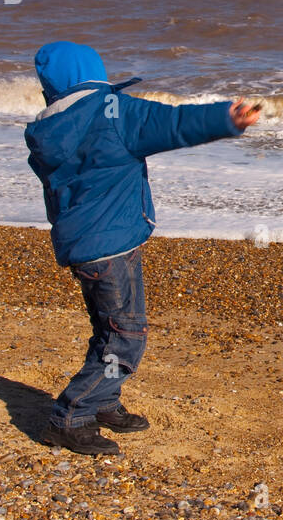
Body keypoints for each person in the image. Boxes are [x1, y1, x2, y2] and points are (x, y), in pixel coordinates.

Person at [24, 40, 260, 454]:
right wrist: (225, 117)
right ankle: (71, 414)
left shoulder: (48, 128)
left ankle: (104, 402)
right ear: (95, 78)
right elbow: (170, 123)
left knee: (108, 328)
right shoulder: (113, 114)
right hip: (112, 246)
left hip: (83, 245)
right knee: (127, 336)